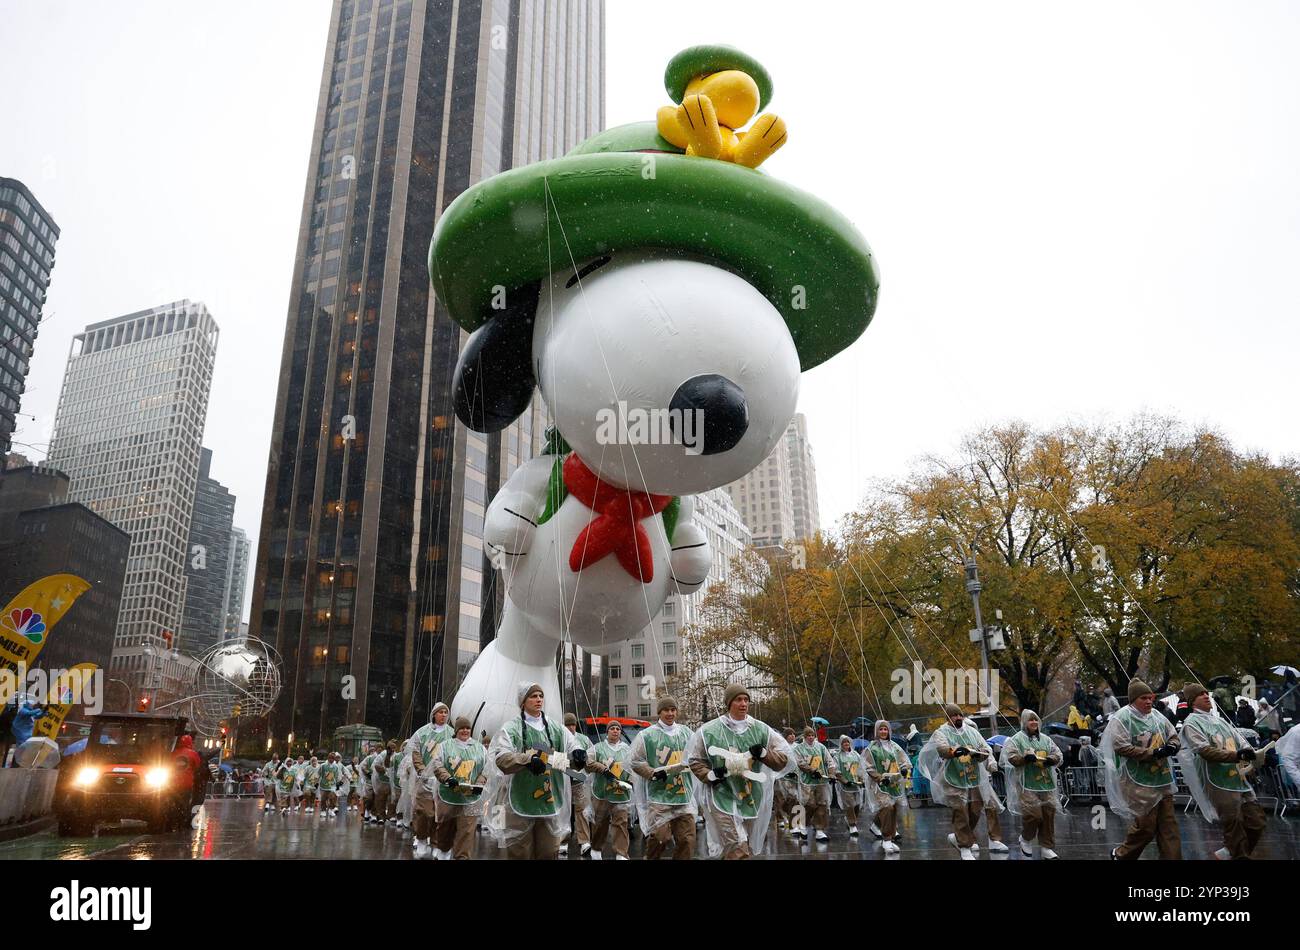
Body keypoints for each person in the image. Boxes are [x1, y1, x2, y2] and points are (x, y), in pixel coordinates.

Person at [686, 682, 791, 860]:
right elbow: (695, 759)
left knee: (740, 847)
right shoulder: (709, 731)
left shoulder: (761, 729)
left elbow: (783, 759)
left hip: (751, 795)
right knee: (737, 844)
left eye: (746, 700)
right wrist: (710, 774)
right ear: (729, 703)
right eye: (738, 700)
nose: (743, 704)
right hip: (721, 796)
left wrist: (764, 754)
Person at [485, 682, 586, 859]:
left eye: (541, 696)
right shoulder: (511, 729)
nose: (538, 699)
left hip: (549, 801)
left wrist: (578, 755)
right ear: (523, 701)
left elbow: (567, 752)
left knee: (548, 851)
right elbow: (501, 758)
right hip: (519, 800)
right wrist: (527, 760)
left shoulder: (556, 728)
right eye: (533, 696)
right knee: (520, 853)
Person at [1178, 683, 1267, 860]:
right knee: (1234, 825)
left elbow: (1240, 741)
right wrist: (1236, 755)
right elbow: (1204, 750)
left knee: (1257, 821)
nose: (1206, 696)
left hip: (1238, 779)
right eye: (1200, 694)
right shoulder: (1191, 723)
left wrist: (1250, 752)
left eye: (1206, 692)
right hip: (1217, 780)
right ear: (1191, 701)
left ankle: (1229, 852)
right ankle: (1238, 855)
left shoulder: (1220, 720)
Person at [1101, 679, 1182, 860]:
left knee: (1169, 827)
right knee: (1146, 826)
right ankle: (1121, 855)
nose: (1148, 701)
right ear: (1133, 700)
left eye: (1150, 698)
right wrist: (1153, 753)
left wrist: (1172, 746)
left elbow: (1173, 735)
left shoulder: (1157, 716)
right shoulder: (1121, 718)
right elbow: (1121, 746)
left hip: (1162, 779)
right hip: (1137, 781)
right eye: (1143, 698)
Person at [919, 704, 1005, 860]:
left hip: (974, 777)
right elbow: (942, 748)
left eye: (960, 715)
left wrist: (981, 754)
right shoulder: (941, 732)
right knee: (960, 811)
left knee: (976, 809)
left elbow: (985, 748)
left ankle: (959, 836)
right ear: (948, 717)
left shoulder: (972, 732)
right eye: (954, 715)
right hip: (953, 778)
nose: (958, 718)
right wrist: (954, 751)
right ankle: (964, 846)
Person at [630, 695, 697, 860]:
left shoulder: (687, 733)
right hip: (660, 797)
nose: (670, 713)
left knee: (687, 840)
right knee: (661, 838)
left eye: (673, 710)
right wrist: (652, 772)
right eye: (666, 710)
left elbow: (698, 755)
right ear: (659, 712)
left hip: (683, 796)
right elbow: (635, 761)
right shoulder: (647, 736)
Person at [1001, 709, 1062, 859]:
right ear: (1024, 722)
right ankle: (1026, 839)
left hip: (1046, 783)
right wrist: (1024, 758)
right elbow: (1011, 757)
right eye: (1030, 720)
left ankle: (1046, 847)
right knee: (1033, 815)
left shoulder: (1046, 739)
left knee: (1048, 815)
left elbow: (1058, 754)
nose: (1034, 722)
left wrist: (1051, 759)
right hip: (1026, 784)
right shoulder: (1016, 739)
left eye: (1036, 720)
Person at [431, 716, 487, 860]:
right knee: (445, 829)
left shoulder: (479, 748)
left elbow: (486, 769)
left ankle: (462, 857)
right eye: (462, 728)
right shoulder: (445, 746)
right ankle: (443, 850)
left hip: (470, 799)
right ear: (456, 730)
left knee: (467, 833)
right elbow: (437, 764)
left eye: (468, 728)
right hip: (448, 796)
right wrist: (447, 778)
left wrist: (480, 782)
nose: (465, 730)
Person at [409, 703, 454, 852]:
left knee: (439, 815)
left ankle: (436, 843)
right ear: (434, 714)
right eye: (440, 712)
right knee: (424, 812)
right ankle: (421, 837)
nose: (443, 715)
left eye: (445, 712)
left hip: (442, 781)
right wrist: (421, 771)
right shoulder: (422, 733)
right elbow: (415, 752)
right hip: (425, 781)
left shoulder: (451, 733)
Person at [587, 720, 634, 860]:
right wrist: (602, 768)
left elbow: (633, 767)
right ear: (607, 732)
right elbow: (587, 764)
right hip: (602, 793)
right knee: (600, 823)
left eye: (618, 729)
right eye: (612, 728)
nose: (615, 731)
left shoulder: (627, 749)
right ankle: (596, 848)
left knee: (621, 823)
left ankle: (621, 853)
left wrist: (630, 781)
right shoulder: (598, 748)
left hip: (621, 793)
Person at [861, 719, 910, 854]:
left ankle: (889, 834)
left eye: (885, 729)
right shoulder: (871, 748)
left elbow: (903, 760)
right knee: (887, 807)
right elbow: (868, 767)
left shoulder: (894, 746)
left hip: (894, 784)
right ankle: (886, 839)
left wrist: (904, 768)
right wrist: (880, 778)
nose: (883, 732)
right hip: (880, 785)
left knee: (893, 809)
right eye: (881, 729)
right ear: (876, 731)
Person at [561, 712, 594, 857]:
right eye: (567, 724)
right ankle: (563, 842)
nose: (570, 727)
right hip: (563, 782)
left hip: (580, 782)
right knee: (564, 812)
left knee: (582, 811)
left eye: (572, 724)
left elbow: (590, 757)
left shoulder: (584, 739)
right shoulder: (559, 738)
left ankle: (584, 841)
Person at [791, 725, 832, 842]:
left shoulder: (821, 747)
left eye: (812, 735)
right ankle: (802, 824)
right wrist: (812, 770)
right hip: (807, 781)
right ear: (804, 737)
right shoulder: (798, 749)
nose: (810, 737)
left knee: (822, 804)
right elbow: (800, 763)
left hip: (821, 781)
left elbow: (829, 761)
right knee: (809, 804)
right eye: (808, 735)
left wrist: (832, 772)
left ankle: (819, 830)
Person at [830, 735, 863, 836]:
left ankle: (849, 819)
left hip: (856, 784)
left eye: (847, 742)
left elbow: (861, 767)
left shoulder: (856, 755)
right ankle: (852, 825)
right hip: (845, 786)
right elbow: (836, 770)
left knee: (857, 805)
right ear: (841, 744)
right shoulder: (837, 756)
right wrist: (844, 781)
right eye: (844, 742)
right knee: (850, 804)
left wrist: (862, 779)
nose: (846, 744)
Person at [371, 742, 395, 824]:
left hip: (392, 782)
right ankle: (381, 816)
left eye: (394, 748)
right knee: (380, 799)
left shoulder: (396, 755)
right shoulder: (382, 755)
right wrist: (385, 770)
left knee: (392, 799)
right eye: (390, 747)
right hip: (382, 781)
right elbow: (376, 766)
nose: (392, 749)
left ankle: (390, 816)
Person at [319, 752, 343, 817]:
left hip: (332, 785)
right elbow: (318, 774)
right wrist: (316, 782)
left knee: (332, 797)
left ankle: (331, 809)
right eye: (330, 758)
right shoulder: (323, 766)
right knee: (324, 798)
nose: (331, 759)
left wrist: (339, 783)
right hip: (324, 785)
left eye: (333, 758)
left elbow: (338, 775)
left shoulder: (336, 767)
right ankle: (323, 810)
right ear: (328, 758)